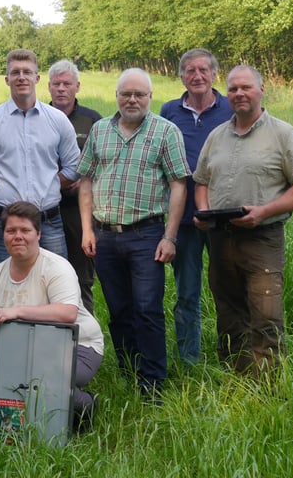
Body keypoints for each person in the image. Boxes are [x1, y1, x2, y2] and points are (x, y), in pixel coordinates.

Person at [193, 65, 293, 376]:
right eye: (233, 89)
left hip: (262, 238)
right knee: (229, 312)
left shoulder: (283, 134)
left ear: (261, 90)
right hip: (220, 238)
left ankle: (268, 386)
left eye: (246, 87)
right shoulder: (217, 135)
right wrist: (204, 212)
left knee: (266, 314)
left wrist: (264, 211)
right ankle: (237, 378)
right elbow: (202, 180)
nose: (239, 94)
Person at [77, 68, 190, 402]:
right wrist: (87, 230)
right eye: (126, 93)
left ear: (150, 97)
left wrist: (169, 237)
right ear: (117, 96)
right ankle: (129, 371)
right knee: (119, 309)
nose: (132, 99)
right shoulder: (100, 130)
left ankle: (153, 383)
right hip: (106, 236)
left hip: (147, 234)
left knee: (147, 309)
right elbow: (85, 180)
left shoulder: (165, 131)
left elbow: (179, 183)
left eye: (139, 94)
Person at [0, 202, 104, 430]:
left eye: (25, 230)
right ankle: (14, 410)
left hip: (77, 347)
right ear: (3, 235)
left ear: (38, 234)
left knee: (41, 379)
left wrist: (17, 312)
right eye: (11, 231)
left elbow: (67, 313)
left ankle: (84, 404)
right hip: (24, 346)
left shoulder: (56, 267)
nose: (18, 236)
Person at [0, 49, 81, 265]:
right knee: (8, 287)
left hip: (48, 221)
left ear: (37, 78)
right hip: (7, 222)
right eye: (15, 72)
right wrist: (1, 187)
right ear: (7, 79)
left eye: (27, 72)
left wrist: (49, 184)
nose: (21, 77)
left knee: (56, 284)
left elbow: (74, 166)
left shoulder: (56, 120)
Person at [160, 48, 233, 365]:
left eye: (203, 70)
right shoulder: (169, 111)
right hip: (185, 221)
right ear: (182, 77)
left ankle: (232, 354)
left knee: (229, 291)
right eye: (190, 70)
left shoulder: (232, 108)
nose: (197, 76)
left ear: (214, 74)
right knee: (187, 294)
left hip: (226, 218)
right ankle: (188, 360)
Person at [47, 60, 103, 315]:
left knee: (82, 278)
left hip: (80, 211)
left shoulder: (93, 120)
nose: (61, 89)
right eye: (56, 84)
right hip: (45, 209)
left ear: (77, 86)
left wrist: (88, 179)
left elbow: (107, 160)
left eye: (66, 84)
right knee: (49, 275)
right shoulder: (37, 116)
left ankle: (86, 334)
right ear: (48, 87)